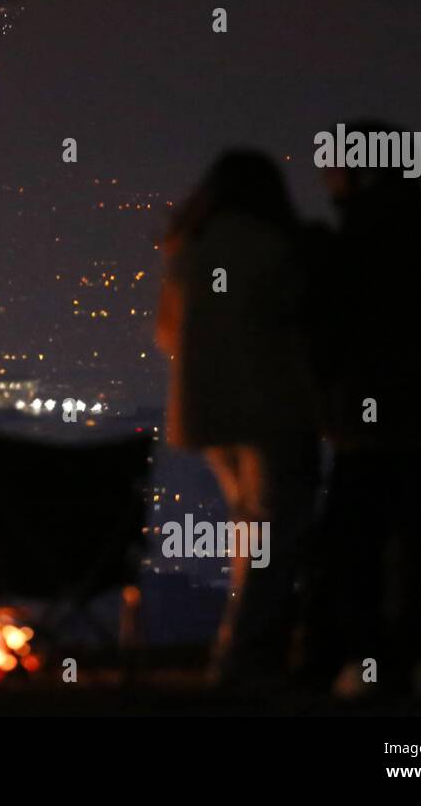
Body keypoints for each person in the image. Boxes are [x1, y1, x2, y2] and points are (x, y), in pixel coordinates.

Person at [306, 121, 421, 699]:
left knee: (358, 546)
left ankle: (362, 661)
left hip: (368, 429)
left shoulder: (354, 243)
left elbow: (328, 335)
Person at [156, 149, 320, 688]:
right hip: (275, 414)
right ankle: (246, 656)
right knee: (273, 534)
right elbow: (301, 325)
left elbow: (166, 333)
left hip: (211, 417)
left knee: (248, 533)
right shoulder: (276, 247)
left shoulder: (189, 251)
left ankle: (240, 656)